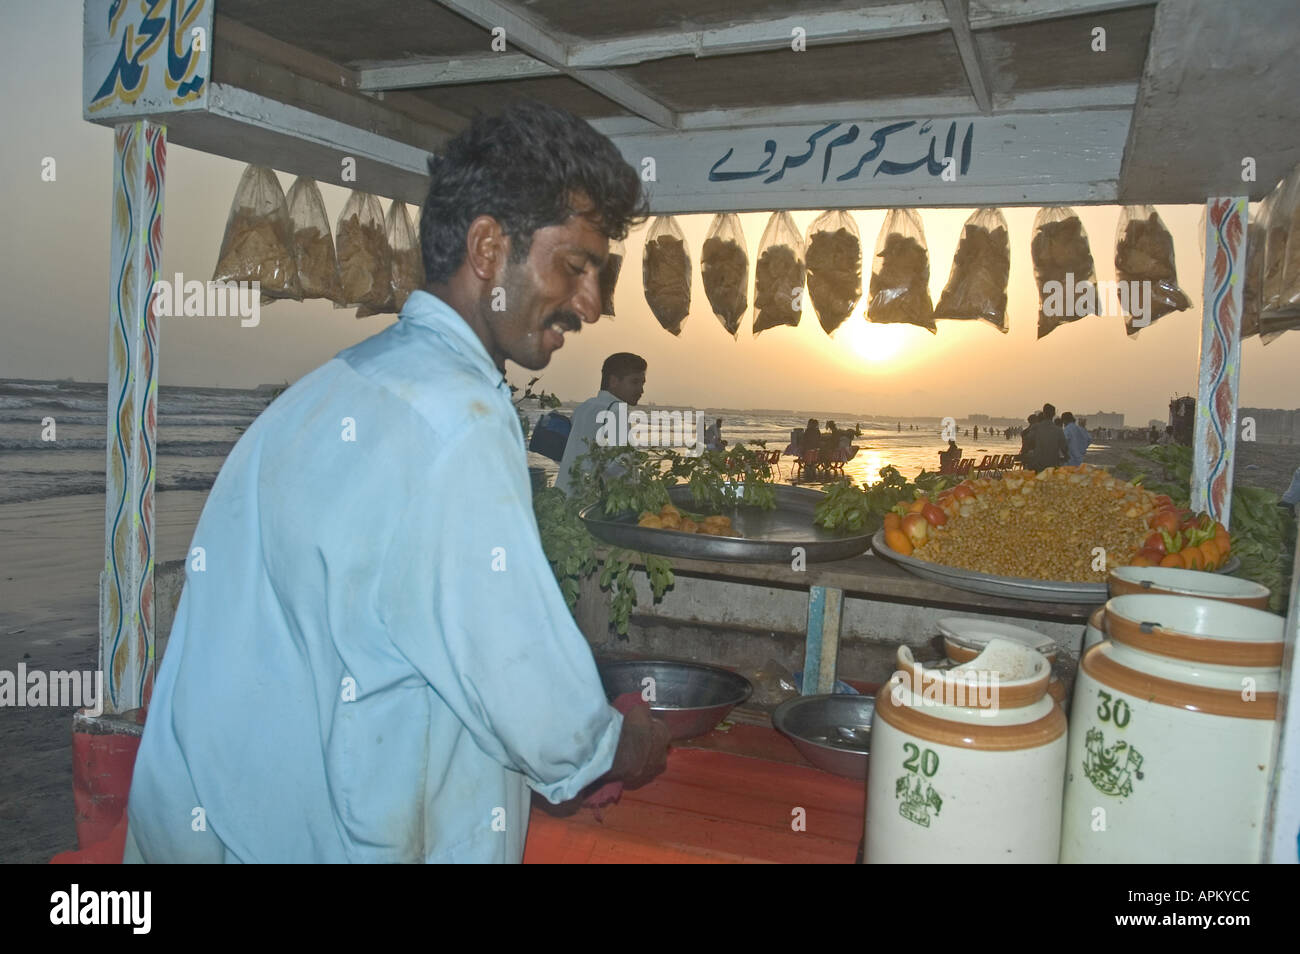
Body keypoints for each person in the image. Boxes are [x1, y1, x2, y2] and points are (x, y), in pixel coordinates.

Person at [123, 103, 669, 864]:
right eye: (575, 265)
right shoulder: (460, 420)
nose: (592, 303)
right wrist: (632, 741)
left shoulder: (322, 395)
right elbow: (547, 719)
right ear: (488, 249)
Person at [555, 352, 646, 494]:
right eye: (634, 382)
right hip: (590, 503)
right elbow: (622, 467)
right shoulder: (617, 410)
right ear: (614, 381)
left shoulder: (584, 407)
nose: (641, 390)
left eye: (642, 383)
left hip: (565, 494)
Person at [1024, 403, 1068, 471]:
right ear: (1054, 414)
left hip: (1038, 465)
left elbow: (1027, 441)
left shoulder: (1036, 428)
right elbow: (1064, 448)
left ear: (1044, 413)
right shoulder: (1058, 430)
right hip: (1053, 465)